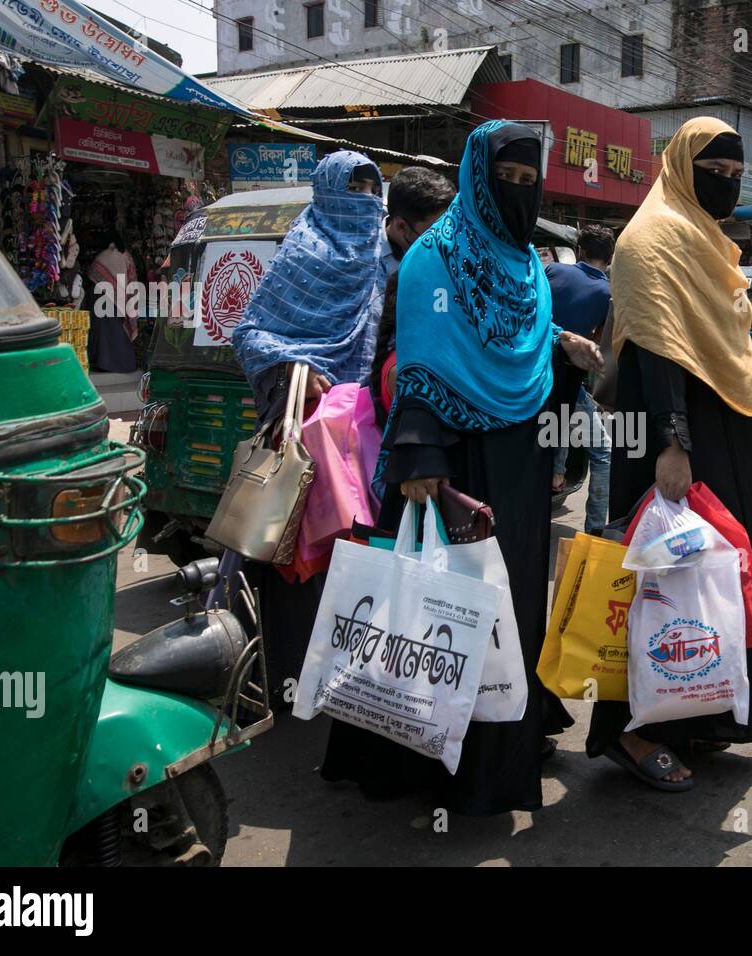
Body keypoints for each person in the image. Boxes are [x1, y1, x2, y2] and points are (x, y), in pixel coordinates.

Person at [319, 121, 602, 815]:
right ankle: (427, 764)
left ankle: (500, 759)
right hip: (451, 465)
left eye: (528, 182)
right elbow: (414, 361)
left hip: (522, 469)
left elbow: (524, 360)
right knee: (437, 616)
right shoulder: (433, 259)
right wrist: (421, 457)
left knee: (507, 614)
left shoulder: (527, 266)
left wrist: (564, 360)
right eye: (504, 180)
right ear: (478, 177)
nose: (517, 193)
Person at [585, 116, 752, 791]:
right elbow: (655, 347)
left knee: (726, 577)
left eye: (735, 177)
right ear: (681, 166)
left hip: (724, 435)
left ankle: (701, 710)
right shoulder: (650, 239)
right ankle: (633, 731)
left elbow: (731, 343)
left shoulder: (708, 240)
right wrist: (673, 446)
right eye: (715, 173)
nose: (725, 186)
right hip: (671, 438)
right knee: (659, 584)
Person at [226, 150, 391, 704]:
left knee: (358, 552)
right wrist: (296, 366)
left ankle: (352, 677)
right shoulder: (299, 252)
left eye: (373, 188)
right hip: (299, 432)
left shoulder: (387, 255)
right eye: (355, 189)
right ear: (327, 192)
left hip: (362, 437)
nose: (366, 201)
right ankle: (283, 675)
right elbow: (250, 331)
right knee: (291, 555)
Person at [371, 168, 457, 417]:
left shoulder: (448, 264)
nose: (445, 242)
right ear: (401, 226)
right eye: (434, 233)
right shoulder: (358, 260)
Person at [548, 224, 615, 533]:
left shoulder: (552, 272)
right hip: (568, 381)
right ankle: (595, 532)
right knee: (602, 453)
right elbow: (597, 344)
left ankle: (557, 472)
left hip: (530, 375)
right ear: (610, 258)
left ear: (581, 252)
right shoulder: (608, 295)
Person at [86, 233, 139, 373]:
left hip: (102, 299)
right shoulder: (126, 256)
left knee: (105, 335)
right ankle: (126, 364)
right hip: (122, 301)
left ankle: (106, 364)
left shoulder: (102, 256)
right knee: (121, 334)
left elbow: (92, 274)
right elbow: (132, 280)